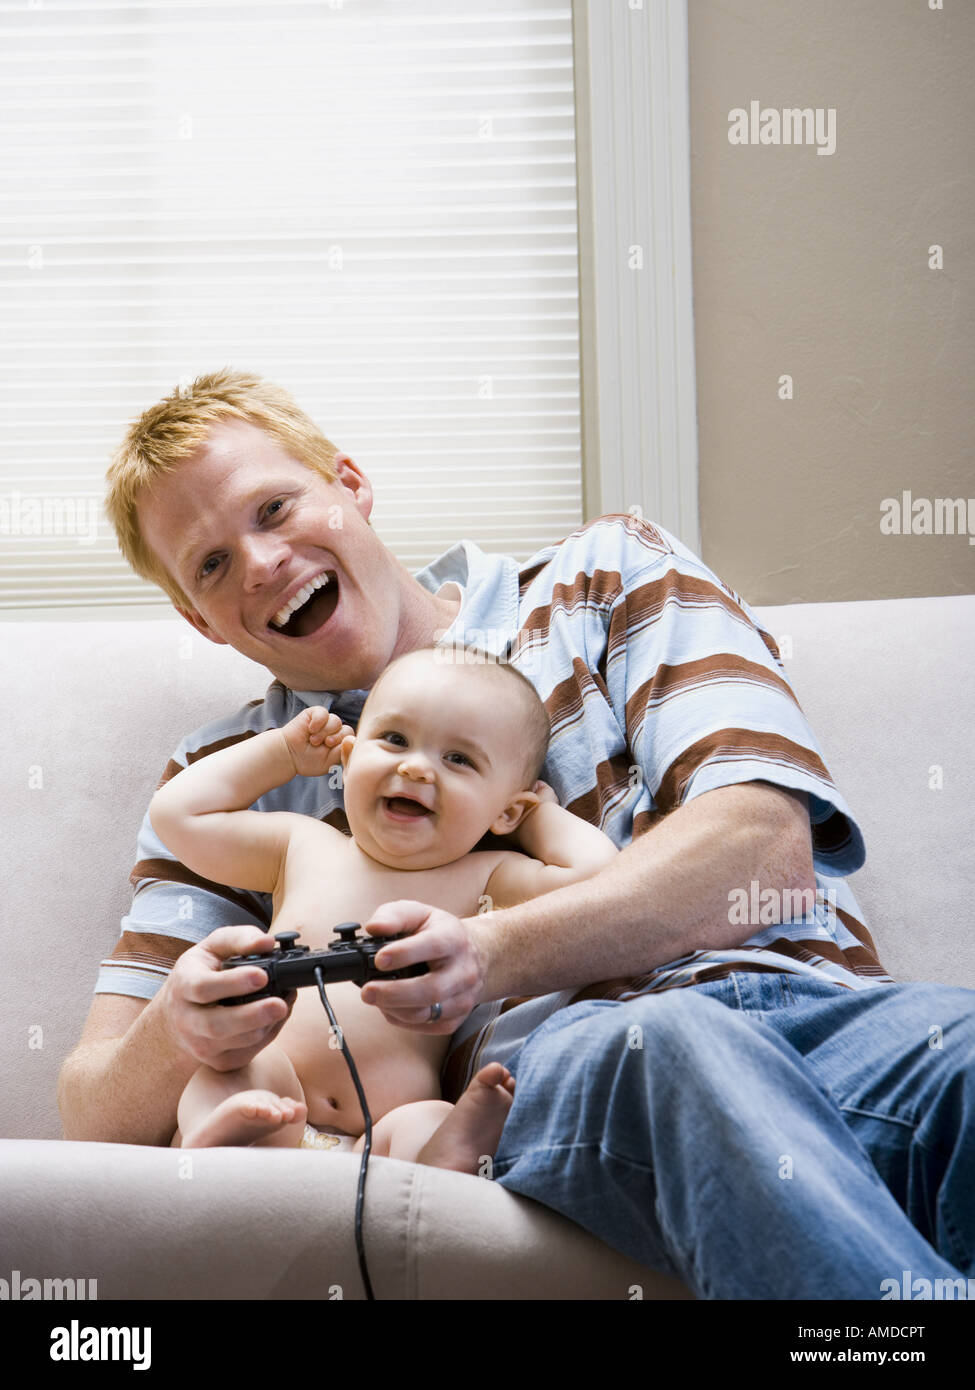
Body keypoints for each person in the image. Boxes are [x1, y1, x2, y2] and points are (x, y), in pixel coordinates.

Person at [58, 369, 974, 1300]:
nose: (257, 563)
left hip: (822, 1014)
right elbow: (93, 1115)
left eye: (275, 507)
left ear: (350, 484)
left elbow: (760, 846)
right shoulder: (235, 771)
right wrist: (181, 1025)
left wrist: (487, 951)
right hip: (598, 1059)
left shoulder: (604, 575)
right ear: (195, 618)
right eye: (209, 566)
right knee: (672, 1047)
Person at [150, 645, 617, 1167]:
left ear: (506, 809)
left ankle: (450, 1151)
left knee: (430, 1117)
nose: (416, 768)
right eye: (394, 739)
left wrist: (534, 818)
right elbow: (178, 815)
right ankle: (222, 1135)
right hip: (279, 1093)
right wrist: (281, 753)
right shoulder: (301, 847)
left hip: (385, 1129)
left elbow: (597, 879)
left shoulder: (484, 877)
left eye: (459, 759)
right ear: (348, 762)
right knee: (229, 1074)